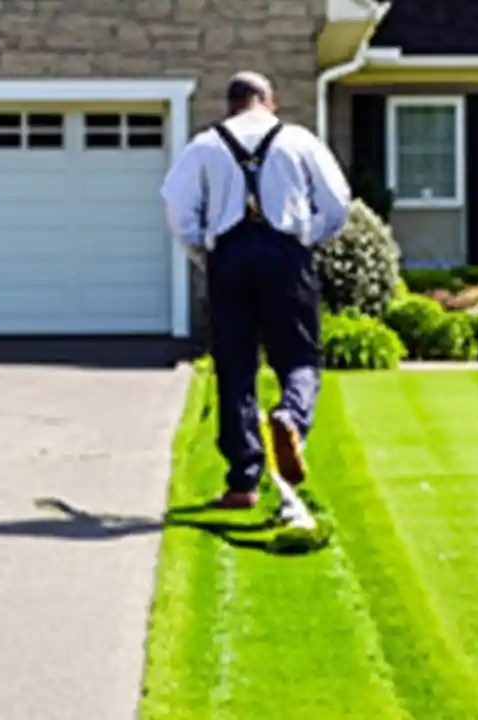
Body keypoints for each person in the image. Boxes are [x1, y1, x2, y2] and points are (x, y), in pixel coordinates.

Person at [160, 71, 351, 509]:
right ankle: (291, 417)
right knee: (300, 357)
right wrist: (308, 238)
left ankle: (243, 481)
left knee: (234, 367)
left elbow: (177, 209)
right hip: (286, 255)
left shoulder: (206, 145)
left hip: (229, 257)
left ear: (231, 104)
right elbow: (337, 203)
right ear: (269, 100)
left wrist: (202, 252)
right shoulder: (297, 140)